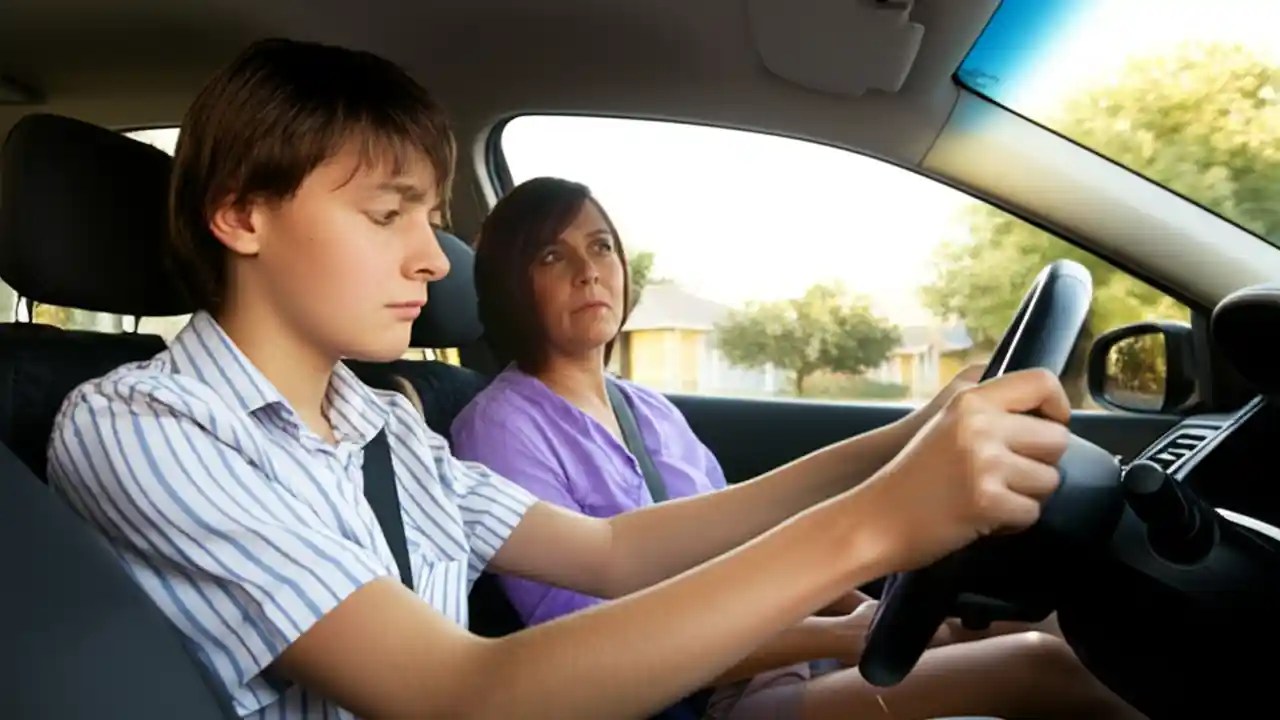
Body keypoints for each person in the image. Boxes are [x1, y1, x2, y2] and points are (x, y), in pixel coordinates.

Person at [48, 37, 1109, 720]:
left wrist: (905, 440)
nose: (431, 257)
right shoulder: (142, 424)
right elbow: (458, 693)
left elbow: (611, 550)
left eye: (432, 220)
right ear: (240, 215)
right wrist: (876, 524)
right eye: (388, 216)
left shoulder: (390, 432)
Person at [450, 176, 1145, 719]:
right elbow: (591, 651)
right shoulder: (497, 427)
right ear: (513, 283)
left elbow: (751, 542)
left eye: (601, 245)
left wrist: (860, 607)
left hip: (780, 658)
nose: (588, 269)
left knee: (1060, 631)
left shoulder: (647, 407)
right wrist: (840, 635)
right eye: (552, 254)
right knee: (1038, 668)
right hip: (702, 700)